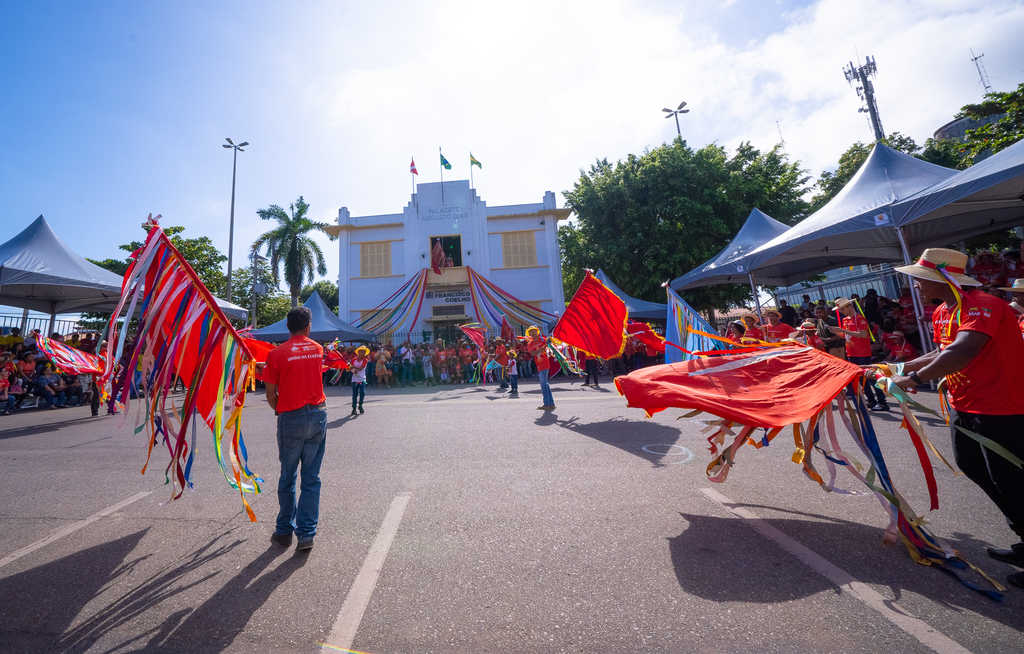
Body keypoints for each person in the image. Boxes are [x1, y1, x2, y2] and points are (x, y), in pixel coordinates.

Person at [889, 248, 1024, 589]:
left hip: (1004, 408)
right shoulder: (942, 311)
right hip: (966, 406)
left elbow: (963, 349)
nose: (915, 286)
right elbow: (941, 350)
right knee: (975, 468)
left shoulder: (984, 305)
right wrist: (900, 368)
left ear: (943, 279)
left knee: (1012, 481)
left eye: (920, 279)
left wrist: (916, 380)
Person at [262, 307, 328, 552]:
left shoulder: (276, 353)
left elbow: (270, 393)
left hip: (290, 416)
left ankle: (283, 531)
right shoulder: (318, 349)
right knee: (311, 478)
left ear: (287, 327)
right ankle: (306, 534)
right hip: (317, 413)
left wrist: (279, 409)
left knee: (288, 475)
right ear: (308, 326)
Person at [830, 297, 888, 411]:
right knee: (861, 379)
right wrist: (835, 332)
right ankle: (871, 401)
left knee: (870, 377)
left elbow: (863, 335)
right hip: (851, 353)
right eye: (840, 309)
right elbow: (847, 336)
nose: (841, 311)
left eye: (842, 309)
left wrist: (842, 331)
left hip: (862, 353)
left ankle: (882, 402)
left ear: (849, 307)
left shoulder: (860, 319)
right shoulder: (846, 320)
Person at [526, 326, 555, 410]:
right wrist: (541, 349)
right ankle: (550, 404)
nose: (533, 333)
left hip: (545, 363)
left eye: (534, 331)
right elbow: (533, 353)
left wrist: (549, 341)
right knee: (545, 384)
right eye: (531, 332)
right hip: (539, 365)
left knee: (544, 384)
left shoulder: (543, 340)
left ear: (537, 332)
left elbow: (550, 345)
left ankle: (547, 404)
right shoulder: (530, 343)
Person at [349, 346, 370, 416]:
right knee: (354, 395)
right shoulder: (353, 360)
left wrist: (353, 368)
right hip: (354, 379)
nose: (362, 353)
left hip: (362, 379)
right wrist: (352, 370)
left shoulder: (365, 360)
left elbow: (361, 368)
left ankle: (360, 405)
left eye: (364, 352)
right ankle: (354, 409)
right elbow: (349, 368)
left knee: (362, 393)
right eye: (361, 351)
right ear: (358, 352)